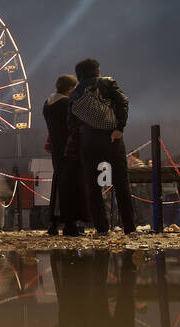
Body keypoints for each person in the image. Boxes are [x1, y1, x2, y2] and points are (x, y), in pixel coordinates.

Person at [66, 58, 134, 235]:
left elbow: (71, 123)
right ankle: (129, 226)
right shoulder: (107, 83)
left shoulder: (75, 94)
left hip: (88, 141)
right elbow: (123, 102)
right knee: (121, 183)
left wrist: (79, 140)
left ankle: (102, 228)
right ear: (97, 71)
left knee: (93, 187)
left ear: (78, 75)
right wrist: (119, 127)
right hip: (112, 138)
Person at [43, 74, 81, 236]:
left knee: (58, 185)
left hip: (56, 150)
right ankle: (70, 224)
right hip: (69, 148)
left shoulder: (47, 104)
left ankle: (54, 223)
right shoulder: (67, 104)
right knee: (70, 186)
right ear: (71, 88)